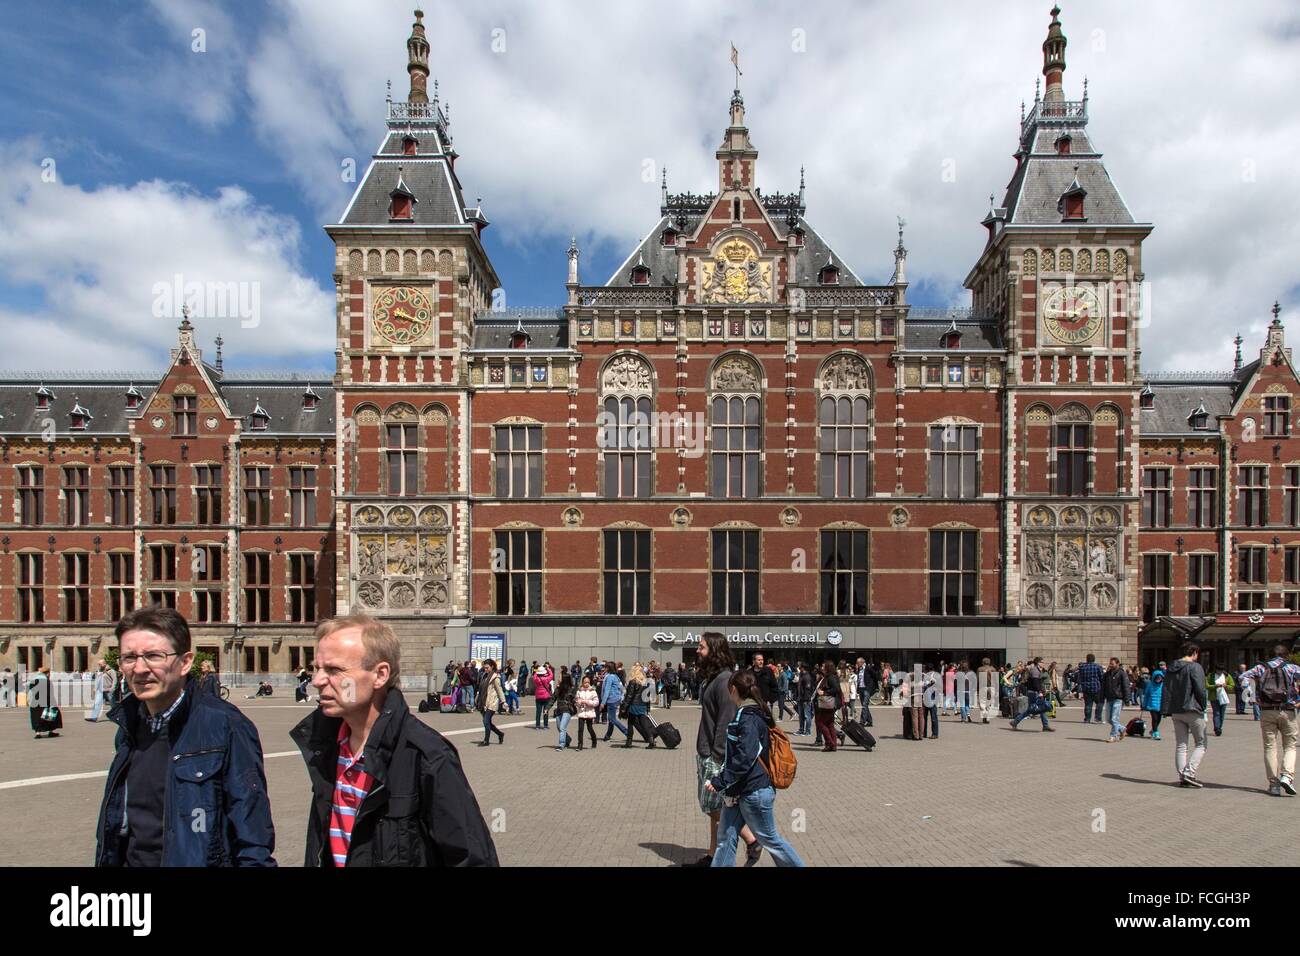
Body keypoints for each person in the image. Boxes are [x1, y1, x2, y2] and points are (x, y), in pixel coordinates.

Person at [292, 614, 498, 866]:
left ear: (380, 674)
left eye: (334, 670)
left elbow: (471, 858)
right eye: (316, 668)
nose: (316, 681)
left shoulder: (427, 755)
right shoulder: (325, 748)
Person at [95, 605, 275, 866]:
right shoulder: (128, 724)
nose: (140, 668)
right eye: (129, 657)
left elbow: (252, 833)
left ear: (185, 662)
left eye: (154, 656)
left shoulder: (225, 725)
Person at [705, 670, 805, 868]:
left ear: (733, 689)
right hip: (740, 790)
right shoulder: (751, 713)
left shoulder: (748, 717)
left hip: (754, 791)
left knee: (770, 839)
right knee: (725, 838)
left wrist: (720, 781)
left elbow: (745, 757)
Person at [689, 632, 761, 867]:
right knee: (715, 808)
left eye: (702, 647)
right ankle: (712, 856)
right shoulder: (715, 678)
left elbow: (726, 720)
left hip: (714, 755)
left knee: (715, 808)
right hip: (707, 751)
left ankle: (751, 840)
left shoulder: (725, 680)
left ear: (715, 650)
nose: (697, 651)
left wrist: (717, 756)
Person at [1235, 644, 1300, 796]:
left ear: (1270, 655)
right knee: (1290, 746)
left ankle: (1274, 784)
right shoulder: (1292, 668)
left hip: (1267, 711)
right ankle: (1287, 776)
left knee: (1270, 747)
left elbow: (1242, 677)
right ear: (1286, 655)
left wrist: (1253, 697)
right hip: (1288, 710)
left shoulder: (1260, 668)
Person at [1160, 642, 1208, 788]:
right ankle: (1189, 772)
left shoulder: (1171, 667)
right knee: (1201, 743)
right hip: (1193, 709)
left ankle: (1182, 776)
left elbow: (1167, 689)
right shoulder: (1195, 667)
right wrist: (1203, 705)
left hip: (1176, 710)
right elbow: (1200, 688)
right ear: (1193, 652)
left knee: (1181, 745)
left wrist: (1167, 708)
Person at [1011, 657, 1055, 732]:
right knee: (1032, 710)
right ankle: (1015, 722)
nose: (1043, 663)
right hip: (1033, 692)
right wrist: (1040, 691)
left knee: (1041, 708)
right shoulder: (1035, 670)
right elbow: (1035, 682)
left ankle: (1045, 725)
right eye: (1042, 662)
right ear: (1038, 663)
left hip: (1034, 692)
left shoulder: (1036, 669)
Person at [622, 663, 657, 749]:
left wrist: (624, 707)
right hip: (642, 705)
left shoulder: (633, 682)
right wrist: (648, 708)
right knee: (644, 723)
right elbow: (648, 696)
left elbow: (629, 696)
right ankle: (651, 740)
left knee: (630, 723)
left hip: (634, 705)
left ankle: (629, 742)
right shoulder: (646, 682)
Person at [812, 660, 843, 751]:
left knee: (820, 723)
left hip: (828, 704)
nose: (821, 667)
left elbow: (836, 689)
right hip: (828, 704)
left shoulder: (831, 677)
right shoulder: (828, 677)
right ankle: (833, 746)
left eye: (823, 666)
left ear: (827, 668)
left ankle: (830, 743)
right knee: (830, 724)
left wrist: (824, 692)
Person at [476, 659, 506, 746]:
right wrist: (477, 697)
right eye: (484, 668)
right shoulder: (484, 675)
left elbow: (499, 689)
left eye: (487, 668)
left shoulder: (495, 677)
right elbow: (481, 688)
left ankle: (486, 741)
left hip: (491, 702)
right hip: (483, 702)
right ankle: (500, 734)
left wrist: (503, 701)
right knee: (488, 722)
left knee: (486, 721)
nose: (485, 669)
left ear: (492, 666)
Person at [28, 667, 62, 739]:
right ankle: (50, 731)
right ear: (47, 673)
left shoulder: (33, 681)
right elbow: (50, 693)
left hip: (35, 702)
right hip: (46, 701)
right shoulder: (47, 681)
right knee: (51, 715)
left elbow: (30, 693)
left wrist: (29, 702)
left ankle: (38, 733)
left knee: (36, 717)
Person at [1101, 657, 1130, 742]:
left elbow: (1126, 686)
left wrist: (1127, 699)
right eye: (1110, 663)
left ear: (1117, 664)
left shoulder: (1122, 673)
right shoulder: (1107, 674)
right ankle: (1122, 729)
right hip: (1109, 698)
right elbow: (1104, 686)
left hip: (1118, 698)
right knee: (1108, 719)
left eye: (1112, 664)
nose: (1110, 665)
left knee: (1114, 718)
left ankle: (1113, 736)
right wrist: (1101, 697)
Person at [600, 662, 630, 742]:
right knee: (611, 719)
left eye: (605, 667)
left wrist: (603, 702)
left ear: (608, 668)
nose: (603, 668)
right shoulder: (616, 676)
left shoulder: (610, 677)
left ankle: (627, 732)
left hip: (611, 700)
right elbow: (621, 688)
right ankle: (607, 735)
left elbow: (607, 690)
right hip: (616, 699)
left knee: (612, 719)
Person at [552, 670, 576, 751]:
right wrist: (546, 708)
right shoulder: (558, 689)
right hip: (559, 710)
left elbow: (574, 698)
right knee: (559, 727)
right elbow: (553, 699)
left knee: (562, 727)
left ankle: (561, 745)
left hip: (567, 710)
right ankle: (568, 739)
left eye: (560, 677)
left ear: (564, 679)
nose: (558, 678)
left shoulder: (571, 689)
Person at [1076, 653, 1104, 723]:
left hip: (1086, 688)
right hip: (1096, 688)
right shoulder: (1098, 667)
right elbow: (1102, 678)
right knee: (1099, 702)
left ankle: (1087, 719)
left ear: (1087, 659)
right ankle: (1097, 718)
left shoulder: (1082, 667)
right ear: (1094, 659)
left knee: (1088, 704)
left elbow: (1079, 678)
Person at [575, 676, 600, 750]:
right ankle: (580, 745)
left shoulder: (592, 691)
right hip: (581, 712)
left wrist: (587, 702)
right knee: (580, 729)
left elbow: (596, 702)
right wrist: (579, 703)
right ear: (582, 682)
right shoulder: (579, 691)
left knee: (590, 728)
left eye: (588, 682)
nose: (586, 684)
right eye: (585, 682)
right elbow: (576, 701)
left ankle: (594, 741)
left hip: (589, 712)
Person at [1142, 666, 1166, 740]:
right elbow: (1146, 695)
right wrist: (1144, 704)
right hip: (1152, 705)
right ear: (1154, 677)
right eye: (1157, 677)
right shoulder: (1150, 684)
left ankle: (1153, 730)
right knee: (1154, 719)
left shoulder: (1163, 685)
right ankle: (1156, 733)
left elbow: (1166, 696)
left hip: (1160, 705)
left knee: (1159, 719)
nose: (1159, 679)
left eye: (1160, 677)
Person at [976, 657, 998, 724]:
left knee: (982, 703)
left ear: (983, 662)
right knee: (989, 703)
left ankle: (984, 716)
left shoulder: (979, 669)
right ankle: (987, 717)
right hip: (992, 688)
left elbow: (977, 680)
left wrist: (976, 689)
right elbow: (996, 680)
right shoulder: (993, 669)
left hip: (983, 687)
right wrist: (997, 689)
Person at [532, 661, 553, 730]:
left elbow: (535, 674)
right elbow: (551, 675)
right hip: (546, 696)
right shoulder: (546, 679)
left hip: (538, 697)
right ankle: (545, 725)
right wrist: (547, 668)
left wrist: (538, 669)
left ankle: (537, 725)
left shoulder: (535, 679)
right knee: (545, 711)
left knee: (538, 712)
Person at [1211, 667, 1230, 736]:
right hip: (1214, 697)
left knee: (1222, 714)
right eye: (1218, 670)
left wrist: (1226, 686)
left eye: (1221, 670)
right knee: (1216, 713)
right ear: (1216, 670)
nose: (1220, 672)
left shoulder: (1227, 676)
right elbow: (1206, 685)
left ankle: (1219, 727)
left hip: (1224, 697)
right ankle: (1217, 728)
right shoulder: (1211, 676)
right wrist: (1214, 686)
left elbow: (1232, 685)